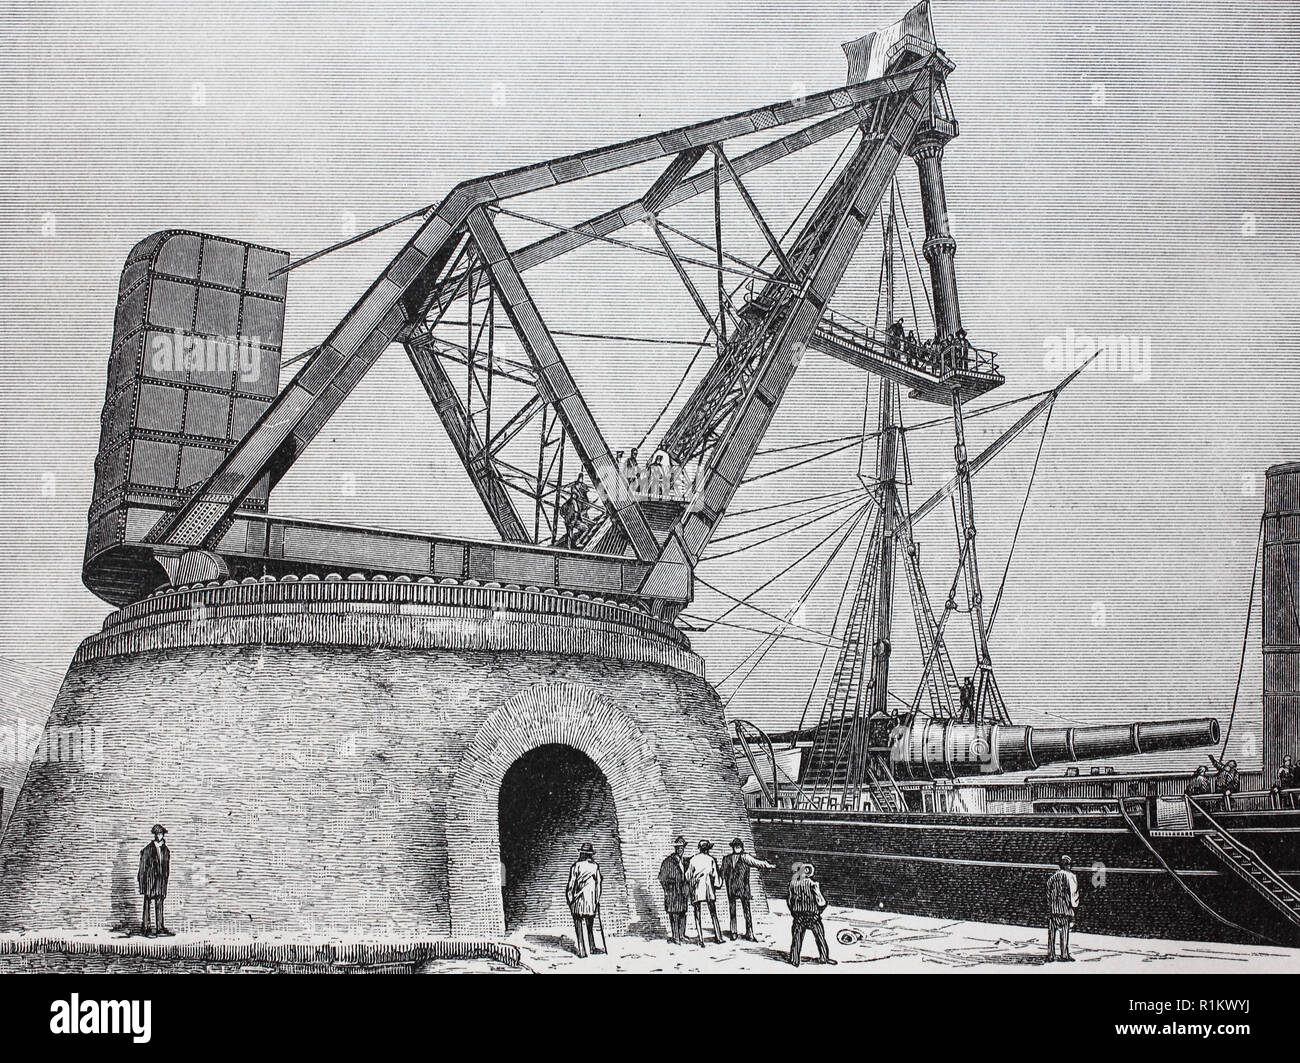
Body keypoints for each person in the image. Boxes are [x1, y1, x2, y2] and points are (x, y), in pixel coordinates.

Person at [720, 837, 775, 941]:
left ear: (741, 847)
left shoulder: (746, 857)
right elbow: (722, 873)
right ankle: (733, 932)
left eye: (739, 846)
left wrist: (768, 865)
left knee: (747, 911)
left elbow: (757, 863)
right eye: (735, 846)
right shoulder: (726, 859)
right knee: (732, 911)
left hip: (743, 888)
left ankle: (749, 932)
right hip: (731, 888)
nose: (737, 848)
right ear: (733, 847)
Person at [787, 862, 834, 966]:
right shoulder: (813, 884)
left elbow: (790, 901)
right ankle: (824, 958)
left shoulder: (792, 883)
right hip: (812, 916)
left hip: (798, 915)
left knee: (796, 938)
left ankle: (794, 960)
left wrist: (794, 912)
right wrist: (820, 909)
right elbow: (821, 902)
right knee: (820, 937)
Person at [565, 842, 603, 958]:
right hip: (590, 901)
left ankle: (582, 951)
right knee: (590, 926)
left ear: (582, 853)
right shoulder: (595, 866)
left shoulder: (575, 866)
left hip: (577, 901)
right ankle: (592, 947)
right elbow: (598, 885)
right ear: (590, 855)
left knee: (578, 927)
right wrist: (596, 900)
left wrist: (570, 900)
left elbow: (571, 886)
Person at [686, 839, 725, 947]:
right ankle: (718, 937)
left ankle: (701, 940)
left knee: (697, 914)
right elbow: (716, 877)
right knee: (713, 913)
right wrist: (717, 885)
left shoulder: (693, 859)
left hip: (697, 889)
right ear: (707, 849)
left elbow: (688, 875)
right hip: (708, 889)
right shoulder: (711, 859)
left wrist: (693, 879)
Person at [137, 823, 172, 936]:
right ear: (154, 835)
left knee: (159, 903)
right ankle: (146, 928)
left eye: (161, 833)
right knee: (147, 903)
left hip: (160, 882)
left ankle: (160, 927)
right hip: (150, 881)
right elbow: (142, 869)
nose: (159, 836)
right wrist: (142, 884)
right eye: (157, 834)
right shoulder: (147, 850)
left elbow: (166, 868)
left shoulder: (166, 850)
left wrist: (165, 882)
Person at [658, 835, 690, 944]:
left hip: (682, 893)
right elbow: (662, 878)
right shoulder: (667, 862)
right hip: (672, 893)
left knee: (682, 914)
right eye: (679, 848)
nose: (681, 850)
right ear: (675, 849)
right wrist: (668, 889)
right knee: (674, 915)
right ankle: (676, 937)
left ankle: (682, 935)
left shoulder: (685, 862)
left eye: (682, 848)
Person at [1046, 854, 1079, 962]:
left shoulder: (1053, 877)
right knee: (1064, 932)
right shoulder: (1071, 876)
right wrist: (1074, 906)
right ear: (1068, 865)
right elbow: (1074, 893)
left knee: (1052, 933)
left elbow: (1048, 892)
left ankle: (1051, 954)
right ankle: (1064, 954)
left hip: (1053, 909)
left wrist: (1051, 904)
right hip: (1065, 909)